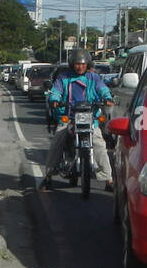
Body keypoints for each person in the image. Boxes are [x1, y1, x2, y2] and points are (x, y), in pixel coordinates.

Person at [44, 48, 115, 191]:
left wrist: (107, 97)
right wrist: (55, 99)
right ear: (72, 64)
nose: (80, 66)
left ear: (87, 64)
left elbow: (103, 89)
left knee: (99, 144)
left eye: (83, 64)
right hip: (68, 118)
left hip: (90, 118)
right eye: (77, 64)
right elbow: (56, 91)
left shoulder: (93, 78)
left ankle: (108, 180)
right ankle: (48, 177)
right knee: (57, 142)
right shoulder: (63, 77)